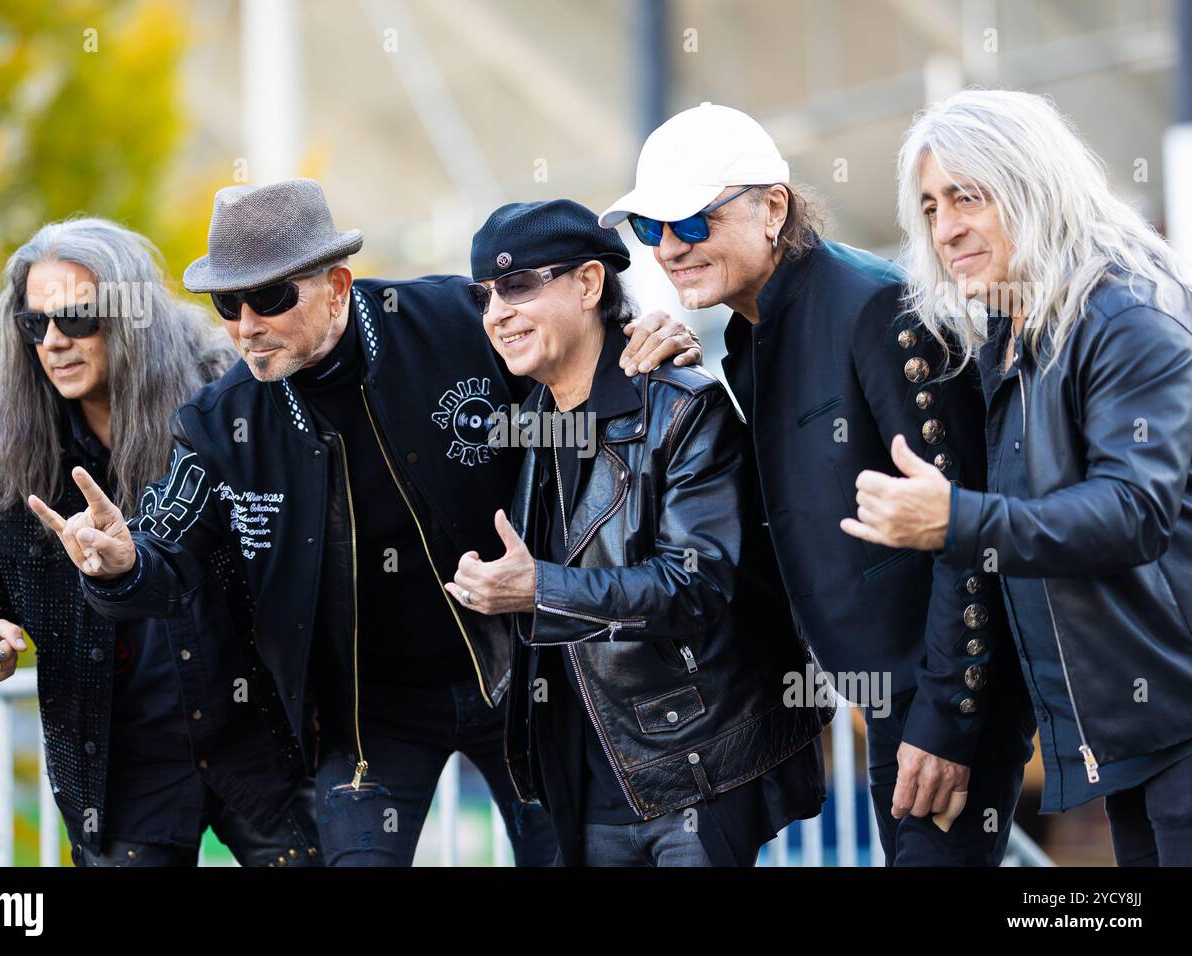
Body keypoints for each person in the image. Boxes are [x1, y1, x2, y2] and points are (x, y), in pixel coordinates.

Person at [33, 179, 701, 865]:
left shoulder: (453, 317)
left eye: (269, 298)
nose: (245, 326)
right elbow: (165, 557)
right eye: (227, 304)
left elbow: (569, 350)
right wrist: (119, 566)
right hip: (371, 712)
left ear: (337, 284)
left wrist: (648, 340)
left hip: (523, 673)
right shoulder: (220, 421)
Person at [600, 102, 1035, 865]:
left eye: (693, 222)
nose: (669, 249)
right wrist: (690, 378)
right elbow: (788, 497)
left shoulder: (873, 305)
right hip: (881, 699)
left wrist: (947, 723)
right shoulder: (747, 334)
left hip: (943, 700)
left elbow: (963, 532)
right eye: (649, 229)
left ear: (773, 208)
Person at [844, 88, 1192, 866]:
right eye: (931, 207)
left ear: (1035, 186)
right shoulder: (1013, 334)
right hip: (1134, 736)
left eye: (969, 197)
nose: (947, 228)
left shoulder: (1126, 315)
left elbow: (1133, 511)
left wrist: (953, 521)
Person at [447, 199, 830, 866]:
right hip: (577, 774)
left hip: (688, 768)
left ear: (590, 284)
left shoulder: (683, 409)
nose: (496, 312)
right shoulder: (526, 414)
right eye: (484, 295)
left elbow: (693, 587)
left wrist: (539, 588)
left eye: (516, 285)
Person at [0, 217, 320, 866]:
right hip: (120, 767)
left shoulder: (225, 400)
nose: (54, 341)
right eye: (36, 325)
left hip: (261, 744)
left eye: (78, 318)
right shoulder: (7, 453)